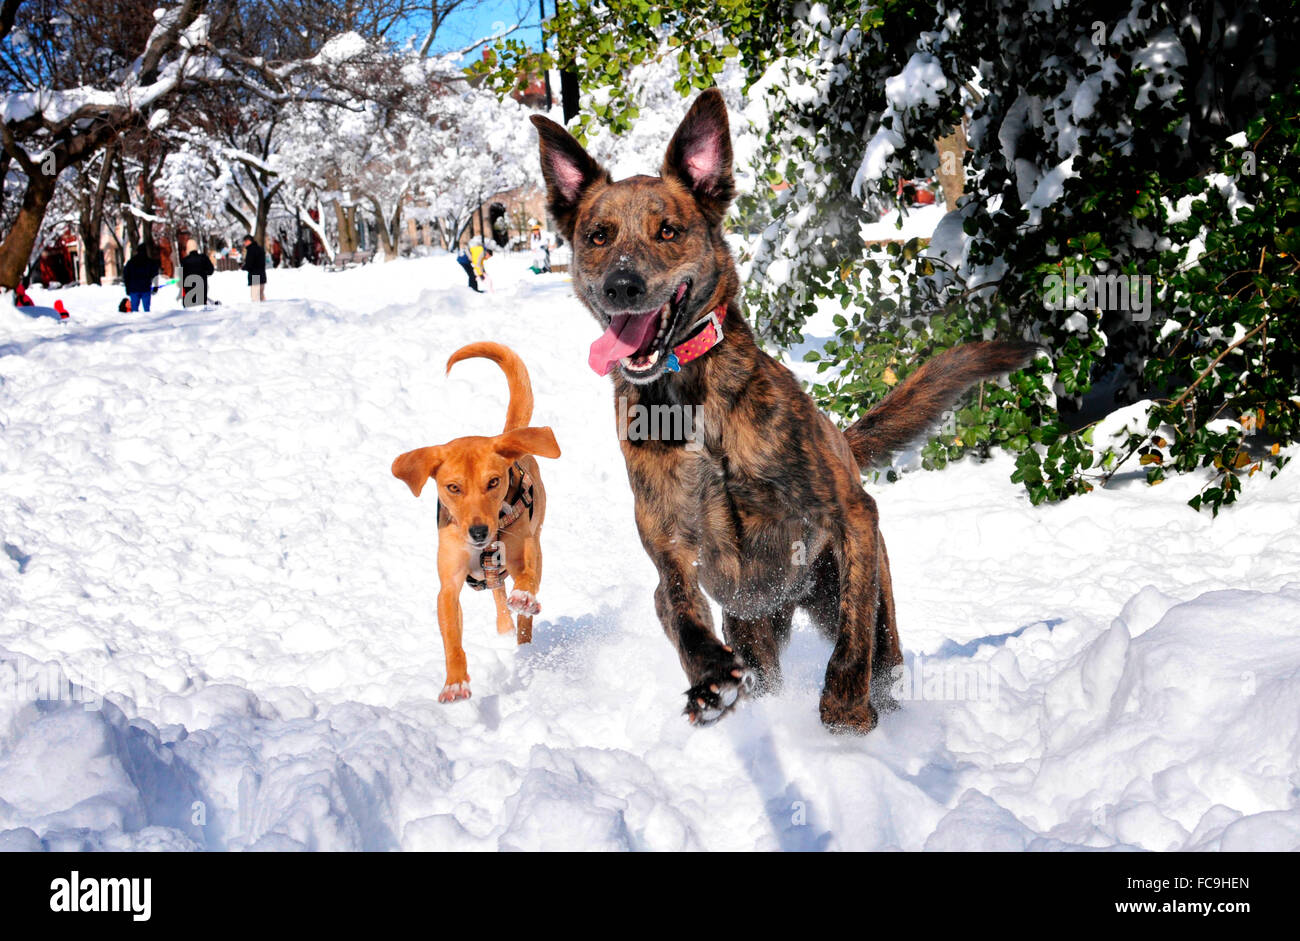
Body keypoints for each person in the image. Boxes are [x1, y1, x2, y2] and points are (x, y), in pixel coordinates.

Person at [122, 243, 160, 313]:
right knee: (146, 309)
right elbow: (155, 275)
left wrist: (127, 288)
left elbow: (126, 275)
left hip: (133, 288)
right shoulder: (150, 262)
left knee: (134, 310)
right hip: (145, 287)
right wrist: (155, 286)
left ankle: (136, 322)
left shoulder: (131, 262)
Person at [179, 240, 214, 308]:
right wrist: (203, 273)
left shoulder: (184, 261)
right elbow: (211, 271)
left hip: (188, 293)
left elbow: (181, 278)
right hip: (202, 290)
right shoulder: (203, 258)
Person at [242, 234, 267, 301]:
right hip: (262, 274)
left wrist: (244, 267)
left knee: (255, 296)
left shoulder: (251, 250)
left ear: (248, 241)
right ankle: (265, 309)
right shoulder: (260, 248)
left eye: (245, 241)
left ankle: (257, 310)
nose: (244, 243)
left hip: (255, 275)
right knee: (261, 295)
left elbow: (250, 263)